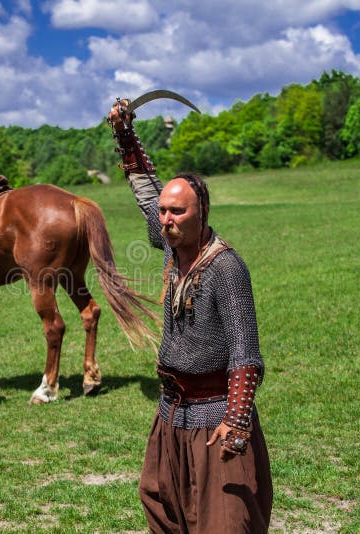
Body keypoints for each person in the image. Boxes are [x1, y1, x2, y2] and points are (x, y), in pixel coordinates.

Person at [107, 101, 272, 532]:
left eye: (177, 211)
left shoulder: (226, 268)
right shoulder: (173, 246)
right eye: (164, 212)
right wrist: (125, 135)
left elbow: (246, 354)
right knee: (164, 511)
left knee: (224, 523)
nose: (166, 220)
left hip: (216, 420)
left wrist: (237, 421)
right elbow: (148, 194)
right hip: (170, 414)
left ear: (203, 213)